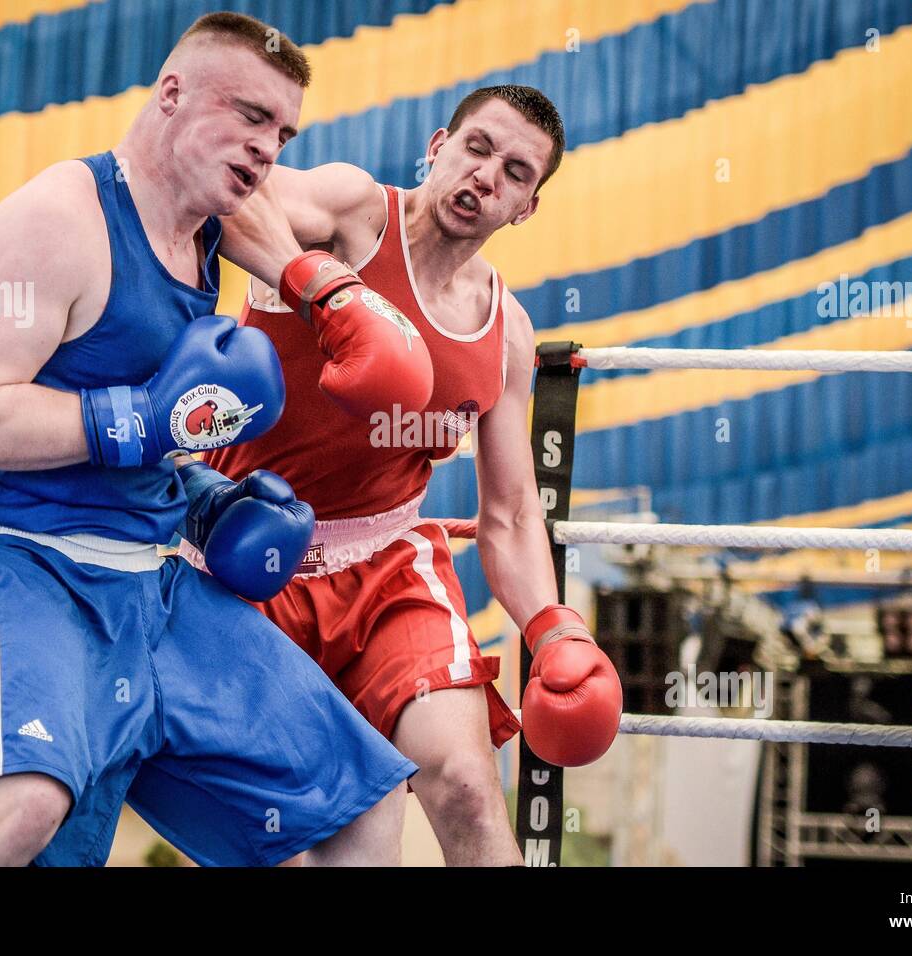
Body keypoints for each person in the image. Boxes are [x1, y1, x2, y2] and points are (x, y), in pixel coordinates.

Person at [0, 12, 421, 868]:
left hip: (153, 578)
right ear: (172, 93)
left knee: (365, 795)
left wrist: (208, 502)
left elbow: (160, 430)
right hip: (22, 556)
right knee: (23, 812)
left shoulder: (212, 231)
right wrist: (146, 418)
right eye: (249, 115)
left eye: (282, 131)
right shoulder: (58, 217)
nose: (266, 146)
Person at [207, 85, 623, 865]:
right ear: (438, 146)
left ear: (527, 206)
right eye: (476, 148)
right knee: (303, 841)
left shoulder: (506, 331)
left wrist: (553, 627)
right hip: (247, 561)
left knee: (468, 783)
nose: (486, 176)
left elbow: (507, 514)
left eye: (515, 171)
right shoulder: (351, 214)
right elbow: (229, 197)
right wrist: (324, 291)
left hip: (387, 569)